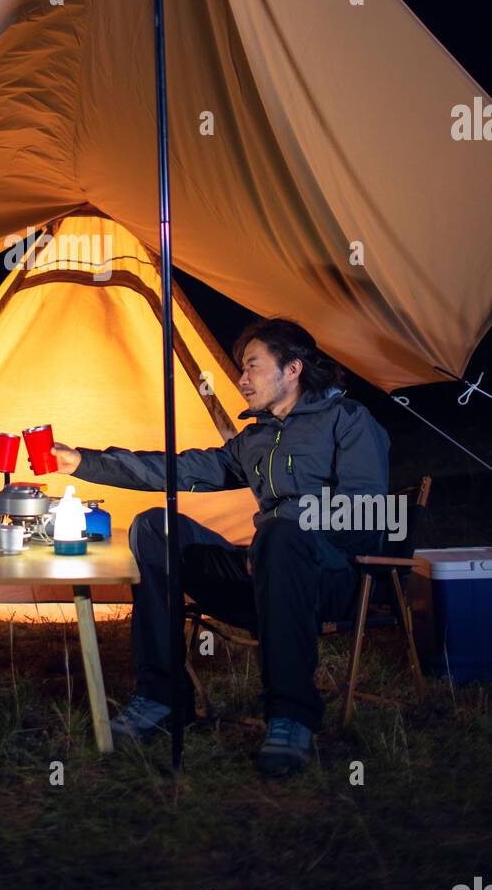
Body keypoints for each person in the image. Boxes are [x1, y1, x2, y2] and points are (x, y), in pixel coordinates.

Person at [51, 318, 391, 776]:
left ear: (292, 369)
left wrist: (284, 530)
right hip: (262, 574)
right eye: (241, 369)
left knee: (280, 534)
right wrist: (83, 462)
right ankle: (162, 697)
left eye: (252, 366)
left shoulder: (349, 421)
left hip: (331, 578)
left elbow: (364, 507)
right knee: (155, 527)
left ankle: (291, 716)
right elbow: (174, 468)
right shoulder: (254, 439)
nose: (241, 379)